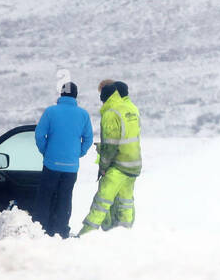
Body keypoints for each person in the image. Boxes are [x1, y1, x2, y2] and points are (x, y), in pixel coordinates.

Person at [79, 79, 141, 235]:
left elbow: (112, 145)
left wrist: (103, 166)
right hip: (134, 164)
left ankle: (86, 234)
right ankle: (124, 234)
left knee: (101, 202)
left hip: (118, 166)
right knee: (125, 202)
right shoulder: (132, 109)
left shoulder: (111, 113)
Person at [33, 81, 93, 237]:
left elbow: (39, 134)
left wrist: (46, 151)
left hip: (51, 164)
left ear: (61, 94)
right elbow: (88, 139)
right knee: (65, 199)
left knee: (45, 198)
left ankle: (41, 230)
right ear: (75, 95)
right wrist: (78, 153)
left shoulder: (50, 112)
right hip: (71, 166)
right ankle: (61, 230)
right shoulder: (83, 115)